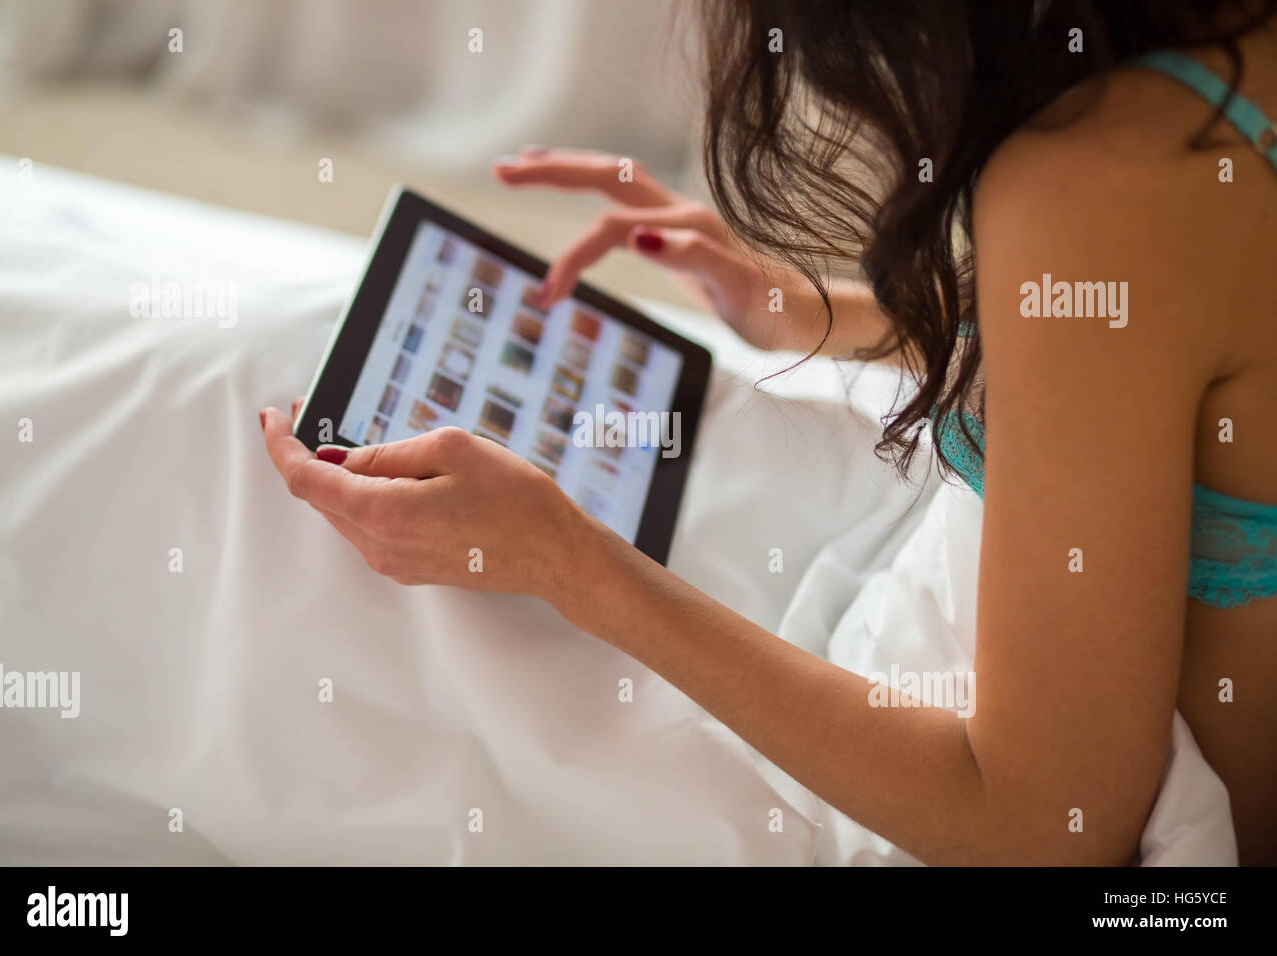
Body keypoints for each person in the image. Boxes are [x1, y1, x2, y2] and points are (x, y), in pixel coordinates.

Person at [262, 0, 1277, 864]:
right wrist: (802, 309)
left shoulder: (1107, 182)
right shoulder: (1208, 97)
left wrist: (567, 559)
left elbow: (1035, 821)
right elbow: (1136, 350)